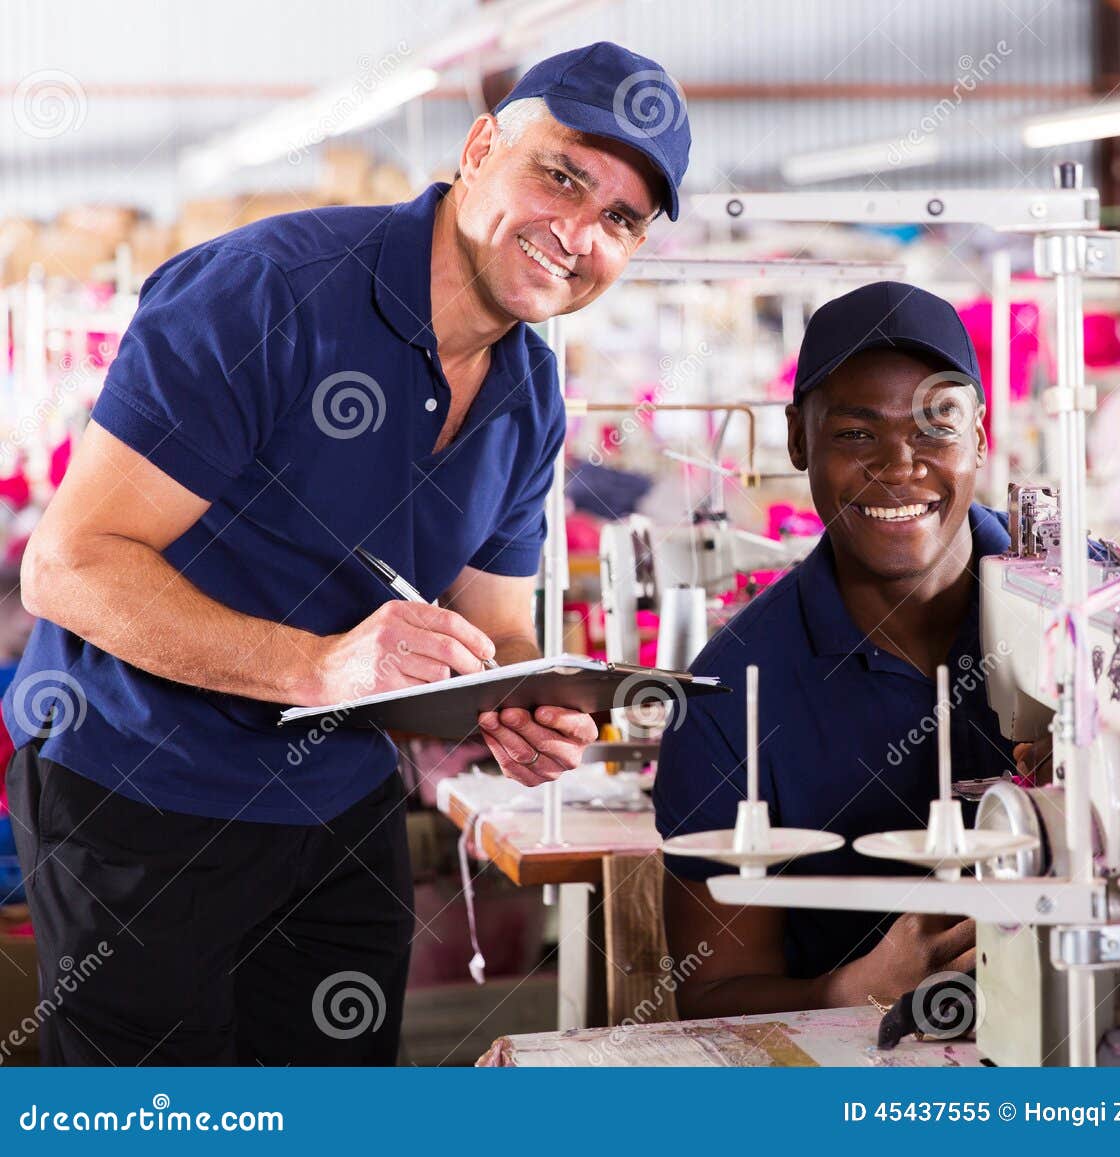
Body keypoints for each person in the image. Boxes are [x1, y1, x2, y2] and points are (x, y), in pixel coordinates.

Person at [5, 41, 691, 1065]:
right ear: (479, 146)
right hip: (147, 796)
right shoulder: (264, 293)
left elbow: (496, 616)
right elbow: (64, 565)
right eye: (562, 176)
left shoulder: (529, 394)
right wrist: (315, 665)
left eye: (620, 221)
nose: (577, 233)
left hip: (339, 806)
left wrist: (523, 700)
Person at [654, 282, 1037, 1018]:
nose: (900, 464)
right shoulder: (727, 695)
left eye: (936, 426)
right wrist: (861, 987)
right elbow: (713, 995)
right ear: (799, 438)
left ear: (981, 436)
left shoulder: (1078, 605)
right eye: (858, 434)